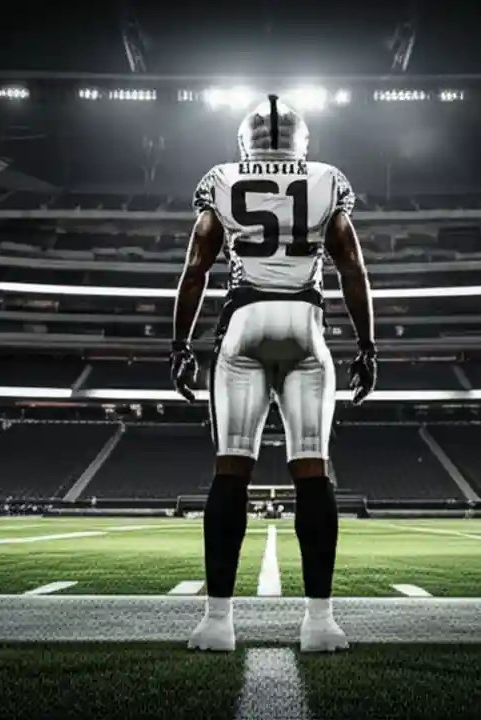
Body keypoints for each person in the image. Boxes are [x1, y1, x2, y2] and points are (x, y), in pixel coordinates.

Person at [170, 94, 377, 653]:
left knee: (230, 473)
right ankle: (320, 622)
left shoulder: (221, 177)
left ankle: (217, 622)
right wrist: (368, 345)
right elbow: (352, 265)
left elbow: (195, 269)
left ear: (246, 142)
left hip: (244, 322)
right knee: (313, 473)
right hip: (305, 325)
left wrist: (179, 343)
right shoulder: (327, 178)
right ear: (301, 143)